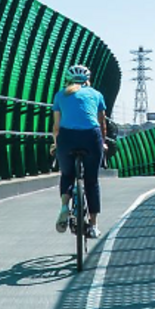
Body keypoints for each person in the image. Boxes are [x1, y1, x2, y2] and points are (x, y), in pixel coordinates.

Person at [50, 64, 111, 237]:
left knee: (67, 175)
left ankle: (64, 206)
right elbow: (102, 124)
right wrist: (103, 143)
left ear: (68, 80)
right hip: (91, 137)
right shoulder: (96, 95)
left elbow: (56, 127)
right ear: (87, 80)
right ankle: (93, 225)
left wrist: (56, 144)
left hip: (67, 138)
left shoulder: (60, 95)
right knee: (91, 181)